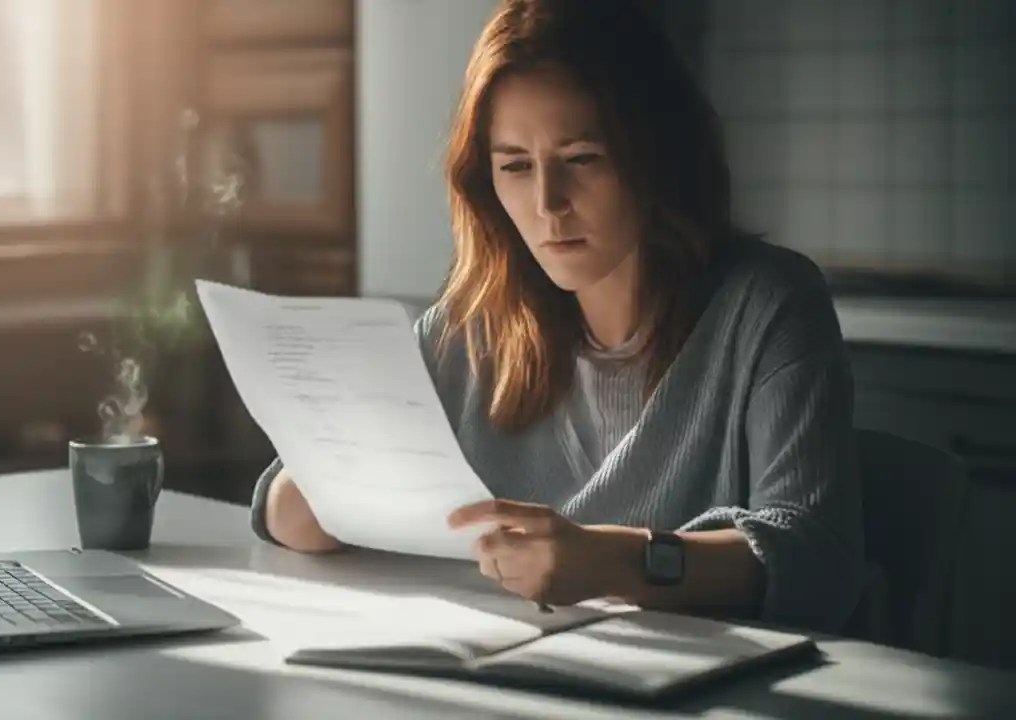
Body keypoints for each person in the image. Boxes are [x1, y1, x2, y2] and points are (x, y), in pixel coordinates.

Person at [249, 0, 864, 634]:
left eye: (582, 158)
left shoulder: (766, 304)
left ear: (656, 154)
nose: (548, 204)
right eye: (515, 166)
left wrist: (612, 561)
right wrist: (325, 466)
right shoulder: (471, 326)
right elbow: (282, 511)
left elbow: (819, 560)